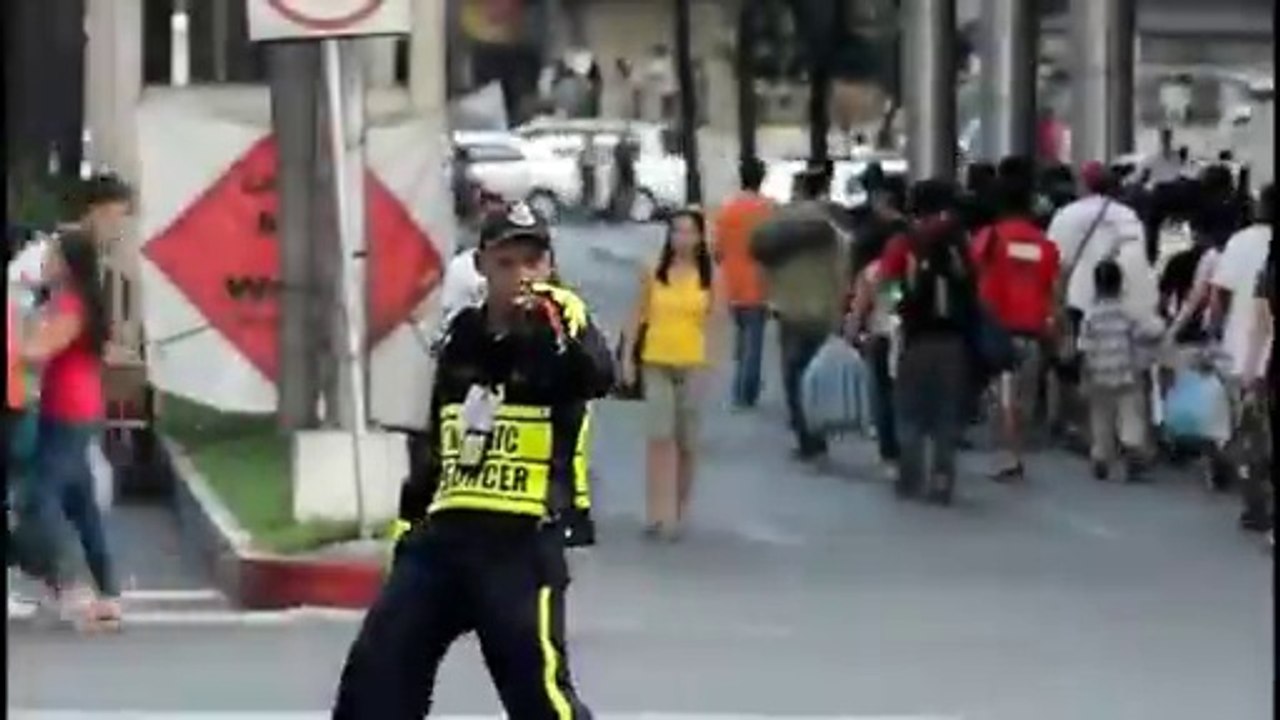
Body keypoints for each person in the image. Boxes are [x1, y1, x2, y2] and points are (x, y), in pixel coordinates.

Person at [333, 202, 612, 718]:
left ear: (548, 265)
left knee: (538, 694)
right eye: (506, 263)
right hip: (446, 535)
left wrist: (550, 321)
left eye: (532, 262)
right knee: (377, 675)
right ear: (482, 267)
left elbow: (595, 375)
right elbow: (434, 440)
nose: (521, 276)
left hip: (520, 536)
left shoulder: (561, 322)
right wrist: (408, 531)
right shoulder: (463, 335)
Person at [849, 180, 977, 504]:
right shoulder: (960, 241)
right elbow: (974, 283)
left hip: (914, 336)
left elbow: (887, 285)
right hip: (954, 339)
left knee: (910, 409)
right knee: (947, 410)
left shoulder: (904, 242)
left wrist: (895, 309)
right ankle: (943, 477)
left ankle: (911, 476)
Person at [18, 230, 120, 628]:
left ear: (68, 263)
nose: (45, 261)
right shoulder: (68, 302)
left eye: (53, 255)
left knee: (41, 499)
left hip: (69, 412)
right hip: (71, 407)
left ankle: (73, 585)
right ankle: (107, 591)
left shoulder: (72, 306)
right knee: (81, 506)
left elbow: (36, 350)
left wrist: (21, 329)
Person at [621, 209, 716, 540]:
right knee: (659, 438)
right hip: (657, 359)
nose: (683, 239)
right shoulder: (654, 272)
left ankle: (679, 507)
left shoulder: (710, 276)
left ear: (701, 237)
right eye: (677, 232)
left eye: (690, 232)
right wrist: (627, 359)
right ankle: (658, 512)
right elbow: (636, 316)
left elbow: (718, 325)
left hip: (693, 362)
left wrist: (712, 366)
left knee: (686, 441)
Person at [1046, 161, 1156, 444]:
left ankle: (1090, 433)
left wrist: (1054, 305)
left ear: (1083, 184)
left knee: (1084, 367)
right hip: (1122, 301)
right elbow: (1139, 260)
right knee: (1126, 367)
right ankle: (1129, 436)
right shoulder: (1128, 216)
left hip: (1079, 300)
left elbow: (1057, 263)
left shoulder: (1066, 215)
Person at [753, 168, 851, 461]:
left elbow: (764, 258)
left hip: (789, 307)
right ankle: (820, 431)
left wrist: (771, 293)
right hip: (823, 309)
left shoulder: (781, 221)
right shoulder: (834, 223)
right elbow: (844, 265)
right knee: (819, 373)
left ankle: (805, 436)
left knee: (793, 375)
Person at [971, 168, 1062, 481]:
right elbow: (1052, 285)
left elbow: (973, 275)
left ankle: (1007, 456)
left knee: (1002, 396)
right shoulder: (1043, 243)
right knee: (1023, 396)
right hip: (1034, 328)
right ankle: (1016, 450)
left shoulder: (990, 237)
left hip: (998, 328)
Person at [1077, 259, 1164, 482]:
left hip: (1098, 372)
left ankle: (1100, 455)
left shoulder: (1090, 314)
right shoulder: (1127, 311)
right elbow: (1147, 332)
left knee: (1100, 417)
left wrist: (1084, 375)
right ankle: (1131, 445)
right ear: (1120, 284)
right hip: (1126, 371)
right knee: (1131, 413)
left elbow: (1085, 346)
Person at [847, 175, 909, 479]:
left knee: (882, 392)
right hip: (912, 329)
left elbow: (861, 295)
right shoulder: (915, 237)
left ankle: (891, 453)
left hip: (880, 330)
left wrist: (851, 328)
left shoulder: (870, 245)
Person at [713, 158, 773, 409]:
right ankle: (746, 392)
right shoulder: (769, 210)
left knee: (740, 339)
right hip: (759, 284)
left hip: (732, 283)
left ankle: (739, 386)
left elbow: (716, 251)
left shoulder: (727, 211)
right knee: (753, 343)